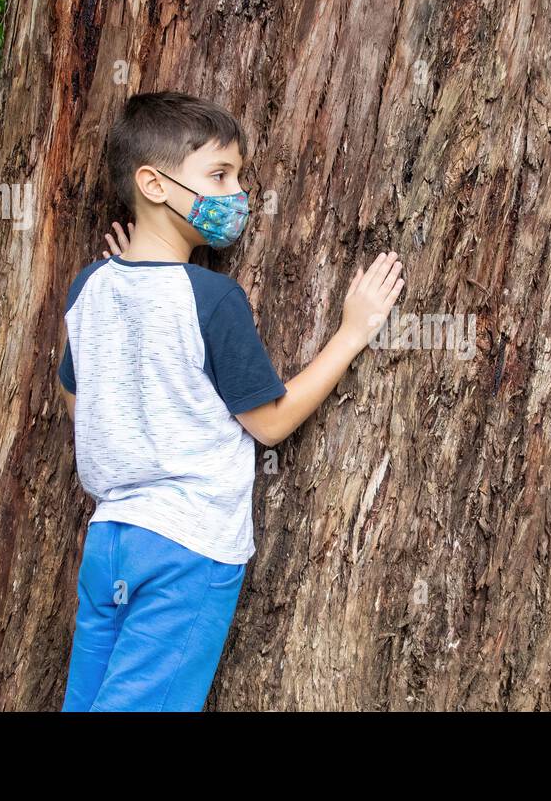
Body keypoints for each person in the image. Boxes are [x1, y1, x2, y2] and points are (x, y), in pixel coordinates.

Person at [57, 91, 404, 711]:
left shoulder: (90, 287)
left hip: (109, 538)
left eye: (239, 176)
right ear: (153, 185)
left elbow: (76, 399)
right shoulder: (211, 297)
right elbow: (270, 424)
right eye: (219, 175)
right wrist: (353, 332)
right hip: (186, 547)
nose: (236, 193)